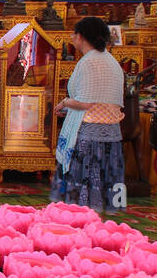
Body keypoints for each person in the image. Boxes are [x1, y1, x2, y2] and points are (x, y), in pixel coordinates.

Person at [53, 17, 126, 213]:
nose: (72, 38)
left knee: (82, 192)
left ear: (81, 36)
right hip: (111, 135)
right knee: (100, 188)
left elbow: (85, 102)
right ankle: (96, 230)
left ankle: (83, 230)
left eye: (74, 34)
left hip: (87, 136)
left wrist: (65, 102)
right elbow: (98, 98)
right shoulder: (110, 61)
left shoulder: (89, 62)